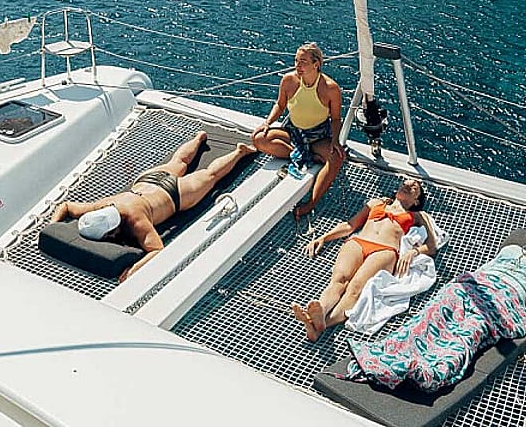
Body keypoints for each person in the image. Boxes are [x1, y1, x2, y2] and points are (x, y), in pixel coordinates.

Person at [341, 213, 526, 392]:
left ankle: (424, 371)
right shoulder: (512, 249)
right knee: (430, 315)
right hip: (473, 286)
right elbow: (484, 270)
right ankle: (389, 355)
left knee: (467, 330)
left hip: (504, 299)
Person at [52, 132, 254, 281]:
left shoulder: (136, 221)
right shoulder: (102, 206)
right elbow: (66, 206)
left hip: (173, 193)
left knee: (211, 175)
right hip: (147, 182)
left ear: (113, 229)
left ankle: (238, 152)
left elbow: (157, 249)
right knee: (179, 161)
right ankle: (198, 138)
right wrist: (53, 225)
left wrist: (133, 269)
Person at [290, 177, 436, 341]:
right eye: (406, 183)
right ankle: (320, 314)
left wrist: (413, 252)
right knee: (339, 280)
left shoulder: (418, 215)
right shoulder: (376, 203)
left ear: (416, 200)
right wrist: (323, 238)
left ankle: (322, 323)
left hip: (384, 250)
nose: (408, 185)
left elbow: (432, 245)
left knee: (355, 288)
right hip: (359, 242)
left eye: (414, 187)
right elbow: (350, 226)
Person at [252, 42, 345, 218]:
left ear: (316, 64)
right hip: (294, 132)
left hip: (318, 136)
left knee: (337, 158)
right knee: (258, 138)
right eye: (296, 60)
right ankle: (304, 154)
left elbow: (336, 119)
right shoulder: (289, 80)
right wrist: (268, 122)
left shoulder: (330, 88)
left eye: (303, 61)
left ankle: (310, 203)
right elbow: (280, 105)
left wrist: (335, 142)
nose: (297, 65)